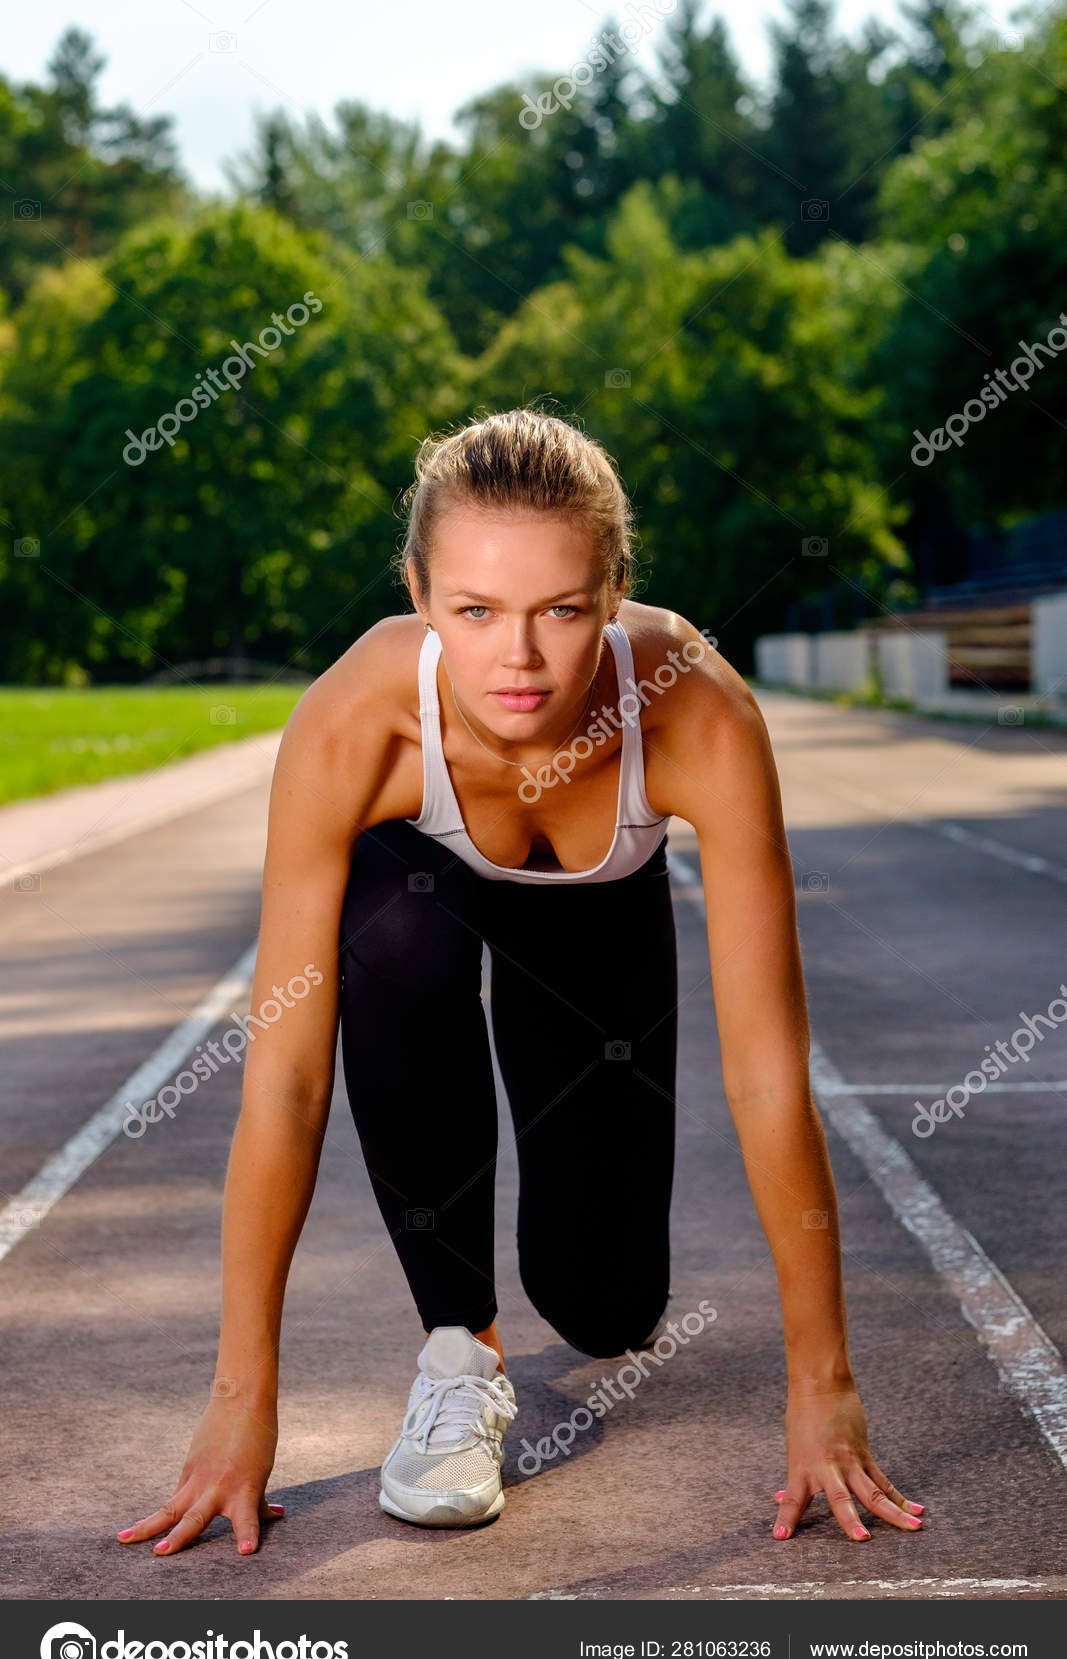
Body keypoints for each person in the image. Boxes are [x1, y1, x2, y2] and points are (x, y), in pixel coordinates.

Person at [116, 407, 925, 1557]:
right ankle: (459, 1349)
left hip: (598, 914)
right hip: (423, 888)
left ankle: (567, 1289)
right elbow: (286, 1083)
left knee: (606, 1307)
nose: (520, 659)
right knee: (393, 933)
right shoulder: (354, 722)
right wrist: (241, 1403)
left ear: (614, 588)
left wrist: (823, 1381)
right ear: (416, 591)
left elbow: (763, 1074)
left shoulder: (697, 710)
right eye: (474, 610)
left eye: (561, 609)